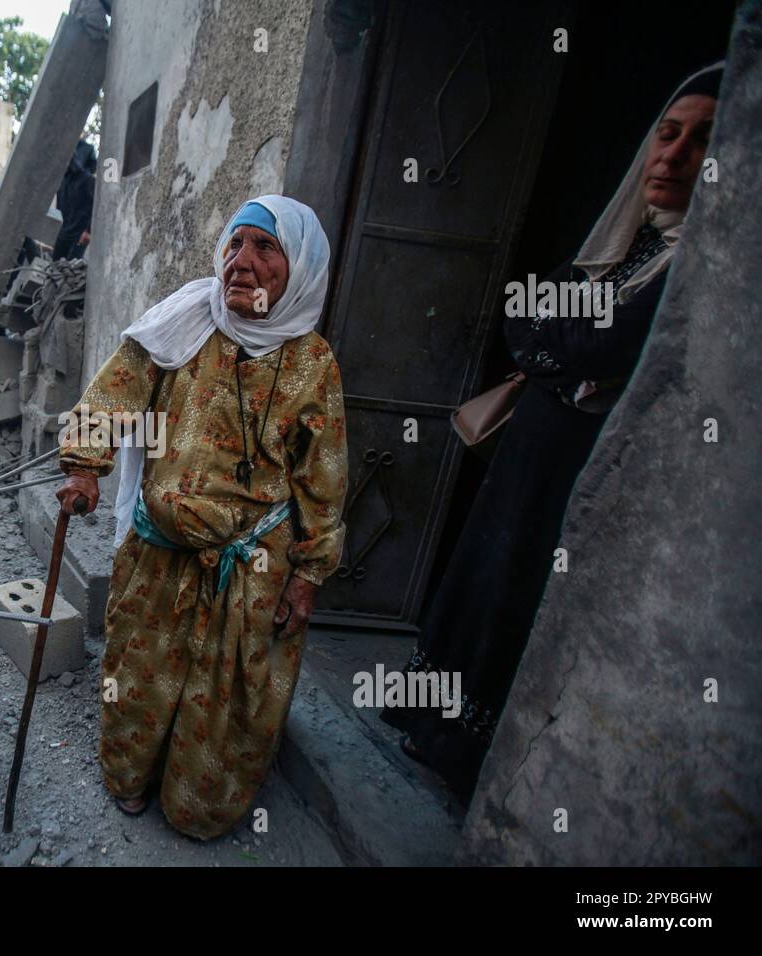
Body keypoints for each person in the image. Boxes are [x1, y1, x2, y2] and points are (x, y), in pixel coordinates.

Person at [379, 64, 723, 802]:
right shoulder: (623, 250)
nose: (673, 155)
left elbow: (608, 344)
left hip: (582, 473)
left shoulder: (693, 270)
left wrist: (561, 348)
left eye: (701, 142)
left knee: (523, 597)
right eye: (667, 135)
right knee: (479, 578)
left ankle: (466, 755)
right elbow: (522, 319)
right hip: (530, 452)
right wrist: (563, 356)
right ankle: (425, 718)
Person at [54, 195, 348, 840]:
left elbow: (322, 482)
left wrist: (308, 576)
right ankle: (129, 778)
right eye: (234, 246)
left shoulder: (313, 364)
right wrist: (83, 465)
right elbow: (116, 390)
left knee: (228, 700)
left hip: (252, 567)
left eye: (263, 249)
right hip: (160, 550)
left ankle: (197, 808)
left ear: (296, 268)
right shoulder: (185, 323)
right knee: (140, 673)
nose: (240, 263)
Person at [53, 141, 96, 261]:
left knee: (71, 270)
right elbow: (60, 204)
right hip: (64, 230)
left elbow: (95, 207)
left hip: (80, 234)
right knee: (55, 265)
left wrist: (88, 231)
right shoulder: (63, 181)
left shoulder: (88, 180)